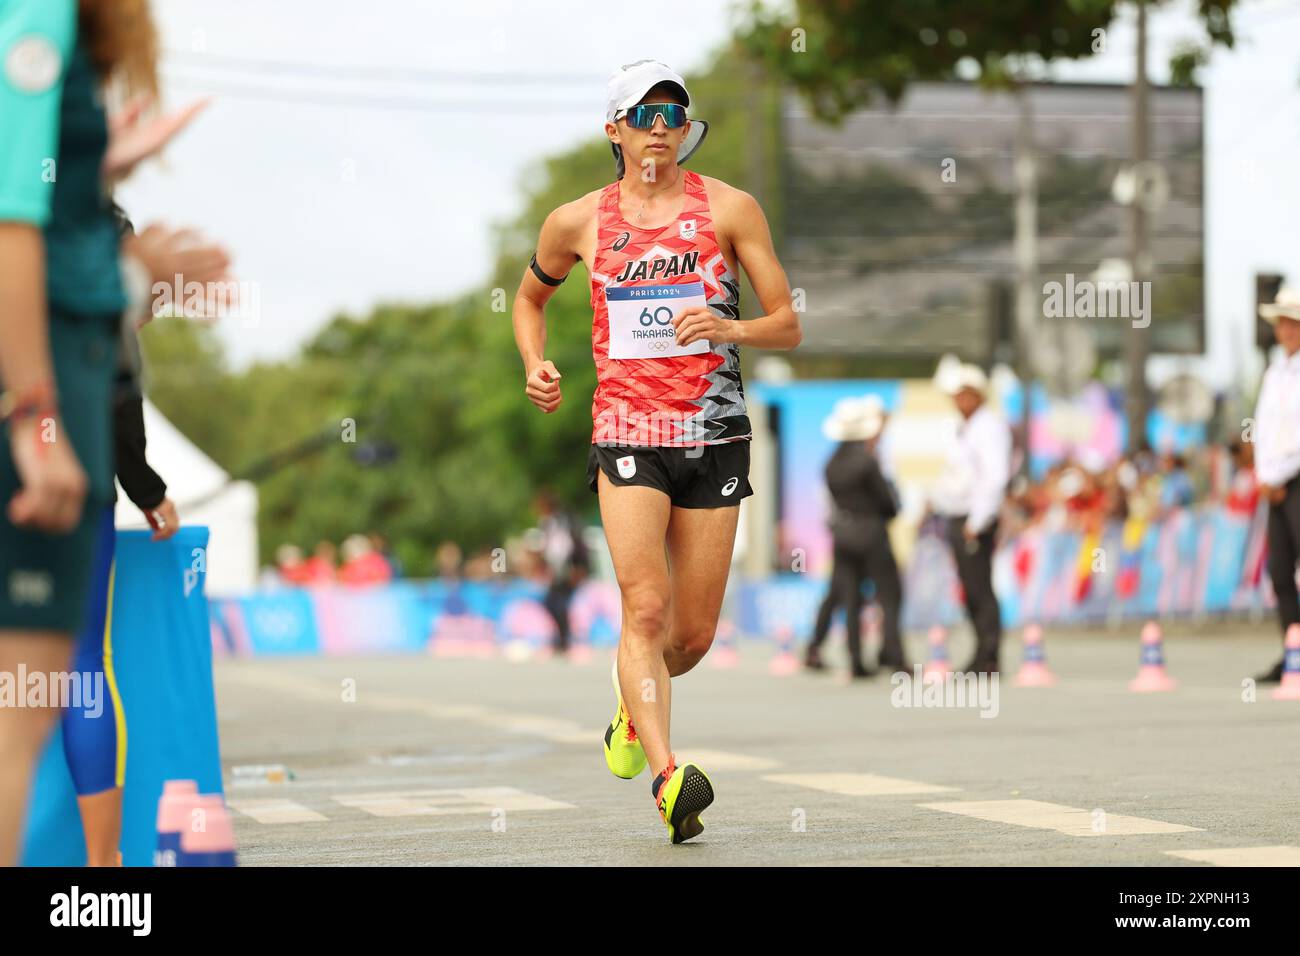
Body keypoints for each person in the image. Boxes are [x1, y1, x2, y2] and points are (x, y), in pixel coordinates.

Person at [512, 60, 800, 843]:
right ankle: (671, 779)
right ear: (615, 130)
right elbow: (530, 298)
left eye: (674, 111)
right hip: (628, 433)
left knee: (693, 635)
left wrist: (729, 327)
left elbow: (788, 322)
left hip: (714, 434)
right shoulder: (577, 222)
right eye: (645, 114)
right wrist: (535, 364)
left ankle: (630, 706)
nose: (662, 125)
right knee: (644, 605)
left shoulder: (730, 208)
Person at [804, 397, 906, 678]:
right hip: (872, 533)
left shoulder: (831, 464)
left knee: (849, 598)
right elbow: (888, 503)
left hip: (844, 534)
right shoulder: (867, 463)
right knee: (889, 594)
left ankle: (855, 659)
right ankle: (894, 655)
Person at [931, 363, 1012, 674]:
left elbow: (994, 477)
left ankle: (989, 654)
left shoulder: (988, 426)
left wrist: (977, 522)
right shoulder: (961, 427)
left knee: (980, 588)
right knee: (969, 588)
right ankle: (980, 650)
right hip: (956, 515)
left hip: (973, 520)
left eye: (965, 395)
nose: (958, 401)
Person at [1252, 285, 1300, 683]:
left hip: (1296, 480)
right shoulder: (1274, 374)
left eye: (1293, 321)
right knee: (1280, 572)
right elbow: (1263, 431)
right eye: (1283, 321)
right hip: (1275, 486)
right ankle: (1292, 652)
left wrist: (1280, 474)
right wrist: (1264, 476)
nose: (1286, 329)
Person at [533, 489, 590, 654]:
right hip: (558, 569)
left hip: (569, 568)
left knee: (558, 604)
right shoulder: (547, 522)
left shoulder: (564, 521)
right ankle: (562, 638)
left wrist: (579, 567)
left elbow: (573, 545)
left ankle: (564, 640)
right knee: (552, 603)